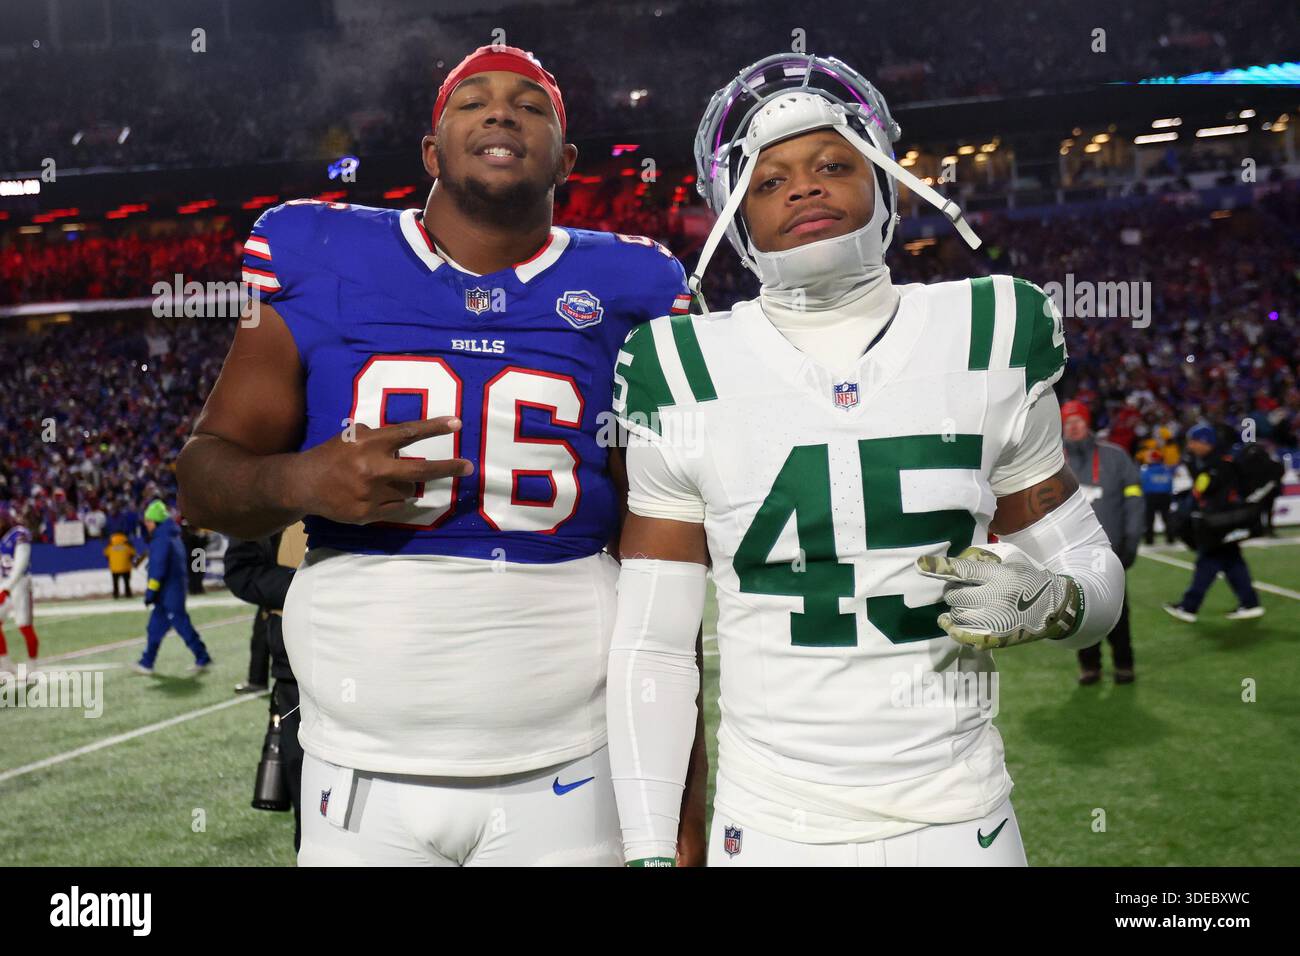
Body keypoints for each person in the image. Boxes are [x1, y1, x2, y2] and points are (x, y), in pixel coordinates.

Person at [176, 44, 705, 867]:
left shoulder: (633, 285)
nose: (502, 113)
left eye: (531, 105)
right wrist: (303, 478)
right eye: (475, 102)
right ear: (431, 150)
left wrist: (678, 779)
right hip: (358, 772)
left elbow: (661, 560)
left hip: (573, 764)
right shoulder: (315, 249)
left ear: (564, 160)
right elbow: (203, 480)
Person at [605, 53, 1124, 868]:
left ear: (884, 182)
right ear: (738, 216)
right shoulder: (680, 366)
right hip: (770, 823)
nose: (804, 188)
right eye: (771, 180)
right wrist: (645, 845)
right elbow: (654, 646)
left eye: (832, 164)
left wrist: (1053, 603)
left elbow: (1094, 570)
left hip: (963, 817)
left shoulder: (991, 327)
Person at [223, 522, 307, 848]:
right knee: (310, 800)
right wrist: (311, 586)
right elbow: (242, 569)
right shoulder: (274, 477)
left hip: (382, 662)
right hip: (297, 672)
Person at [1061, 400, 1143, 684]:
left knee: (1119, 611)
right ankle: (1089, 666)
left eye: (1078, 420)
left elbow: (1134, 499)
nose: (1073, 426)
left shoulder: (1115, 456)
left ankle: (1124, 664)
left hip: (1111, 551)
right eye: (1067, 422)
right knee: (1079, 613)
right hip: (1072, 554)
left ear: (1088, 423)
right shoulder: (1052, 462)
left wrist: (1132, 537)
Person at [1164, 424, 1265, 622]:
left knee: (1208, 561)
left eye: (1194, 442)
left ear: (1205, 443)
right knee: (1233, 561)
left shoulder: (1215, 465)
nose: (1190, 446)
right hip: (1226, 521)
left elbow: (1203, 489)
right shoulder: (1221, 461)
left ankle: (1189, 607)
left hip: (1218, 522)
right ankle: (1250, 603)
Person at [132, 499, 213, 676]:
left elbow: (158, 568)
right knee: (155, 627)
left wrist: (151, 592)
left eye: (148, 521)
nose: (146, 524)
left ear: (156, 521)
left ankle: (202, 656)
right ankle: (147, 662)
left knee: (181, 625)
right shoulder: (172, 537)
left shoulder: (161, 540)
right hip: (170, 591)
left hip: (169, 592)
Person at [0, 514, 40, 674]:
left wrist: (7, 589)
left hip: (20, 583)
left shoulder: (19, 533)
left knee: (24, 625)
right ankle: (5, 664)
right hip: (4, 583)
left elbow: (20, 565)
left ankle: (32, 665)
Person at [1139, 448, 1175, 545]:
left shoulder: (1145, 470)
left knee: (1149, 519)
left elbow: (1141, 483)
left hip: (1150, 496)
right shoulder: (1166, 469)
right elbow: (1170, 483)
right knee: (1167, 518)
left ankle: (1149, 540)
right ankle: (1170, 538)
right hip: (1165, 496)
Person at [103, 530, 137, 599]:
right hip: (125, 567)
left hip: (114, 568)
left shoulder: (110, 547)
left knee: (115, 582)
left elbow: (105, 554)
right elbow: (133, 553)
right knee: (126, 582)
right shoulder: (127, 546)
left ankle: (116, 594)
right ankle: (128, 594)